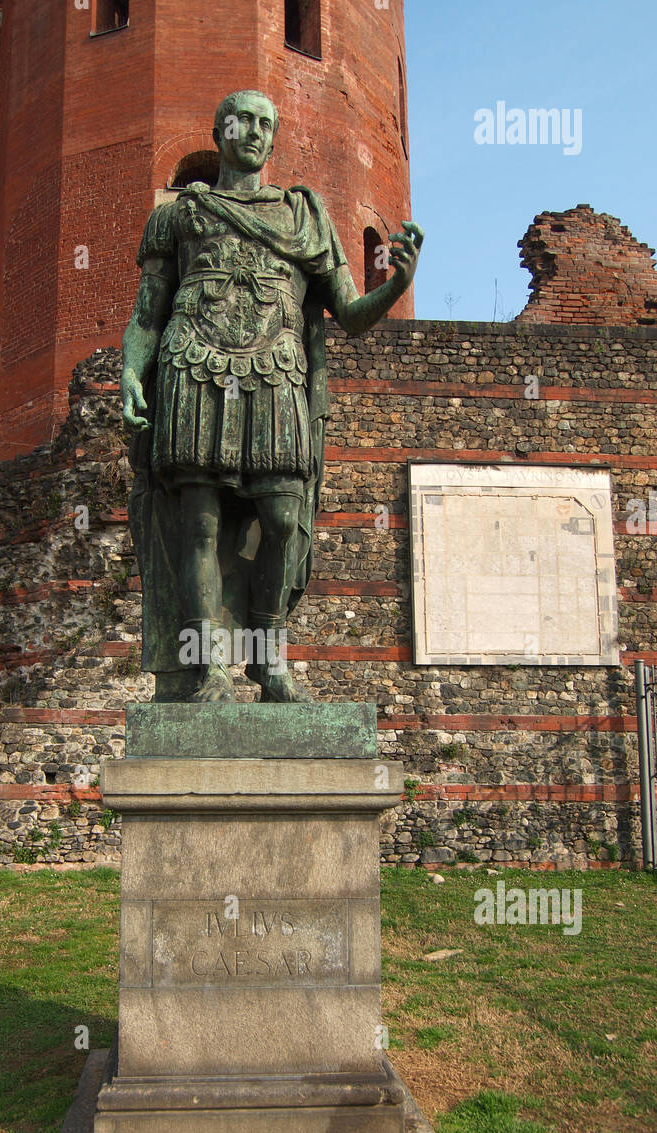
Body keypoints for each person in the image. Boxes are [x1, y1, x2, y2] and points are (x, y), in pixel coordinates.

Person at [121, 90, 423, 702]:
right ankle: (207, 668)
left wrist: (399, 285)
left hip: (277, 372)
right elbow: (148, 313)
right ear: (218, 129)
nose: (255, 132)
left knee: (284, 521)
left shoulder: (303, 216)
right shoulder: (180, 216)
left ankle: (268, 659)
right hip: (192, 365)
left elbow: (352, 314)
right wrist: (131, 372)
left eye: (267, 124)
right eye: (243, 121)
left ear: (274, 138)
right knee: (199, 527)